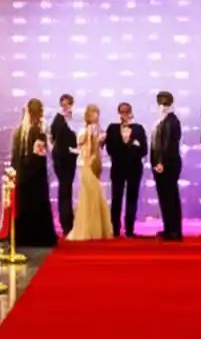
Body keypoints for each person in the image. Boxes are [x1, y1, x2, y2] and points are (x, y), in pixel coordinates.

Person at [11, 99, 58, 247]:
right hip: (36, 178)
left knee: (24, 207)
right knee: (38, 207)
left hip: (22, 176)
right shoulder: (38, 131)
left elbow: (15, 156)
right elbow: (40, 156)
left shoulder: (19, 131)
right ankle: (39, 238)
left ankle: (24, 237)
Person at [68, 104, 114, 241]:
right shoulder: (84, 131)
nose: (96, 116)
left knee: (96, 196)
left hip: (94, 165)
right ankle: (88, 229)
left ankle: (98, 230)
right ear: (88, 115)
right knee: (88, 197)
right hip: (85, 166)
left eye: (97, 113)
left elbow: (96, 150)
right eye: (93, 113)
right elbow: (83, 150)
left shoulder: (98, 130)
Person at [105, 102, 148, 238]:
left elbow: (144, 150)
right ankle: (116, 229)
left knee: (132, 198)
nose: (124, 114)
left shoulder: (139, 129)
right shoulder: (112, 128)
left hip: (134, 168)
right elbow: (110, 149)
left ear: (130, 112)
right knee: (116, 198)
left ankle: (130, 229)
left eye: (127, 111)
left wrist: (132, 146)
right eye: (122, 112)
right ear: (119, 114)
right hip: (118, 168)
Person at [151, 91, 183, 241]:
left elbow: (169, 144)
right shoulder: (162, 120)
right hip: (161, 164)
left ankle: (174, 231)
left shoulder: (172, 121)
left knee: (170, 197)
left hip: (168, 165)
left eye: (166, 103)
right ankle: (169, 228)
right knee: (165, 198)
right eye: (161, 103)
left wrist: (162, 162)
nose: (163, 106)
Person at [51, 93, 79, 236]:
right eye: (63, 104)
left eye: (68, 104)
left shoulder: (73, 120)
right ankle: (65, 222)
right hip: (61, 160)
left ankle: (69, 221)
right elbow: (54, 138)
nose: (65, 106)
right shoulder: (58, 119)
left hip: (71, 159)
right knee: (64, 189)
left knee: (67, 189)